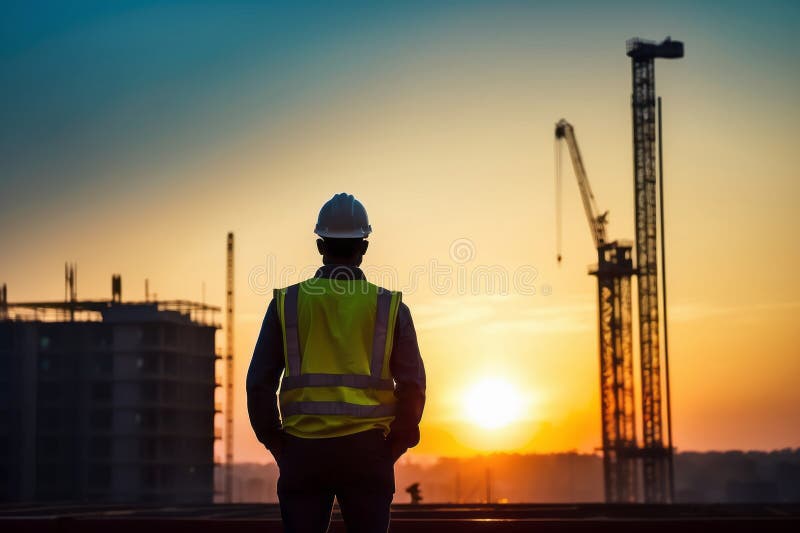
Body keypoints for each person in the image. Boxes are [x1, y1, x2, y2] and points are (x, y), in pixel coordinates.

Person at [247, 193, 426, 532]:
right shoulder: (389, 308)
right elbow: (414, 386)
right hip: (368, 453)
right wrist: (394, 446)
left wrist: (277, 443)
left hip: (303, 452)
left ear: (320, 245)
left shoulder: (288, 303)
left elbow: (259, 384)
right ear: (365, 246)